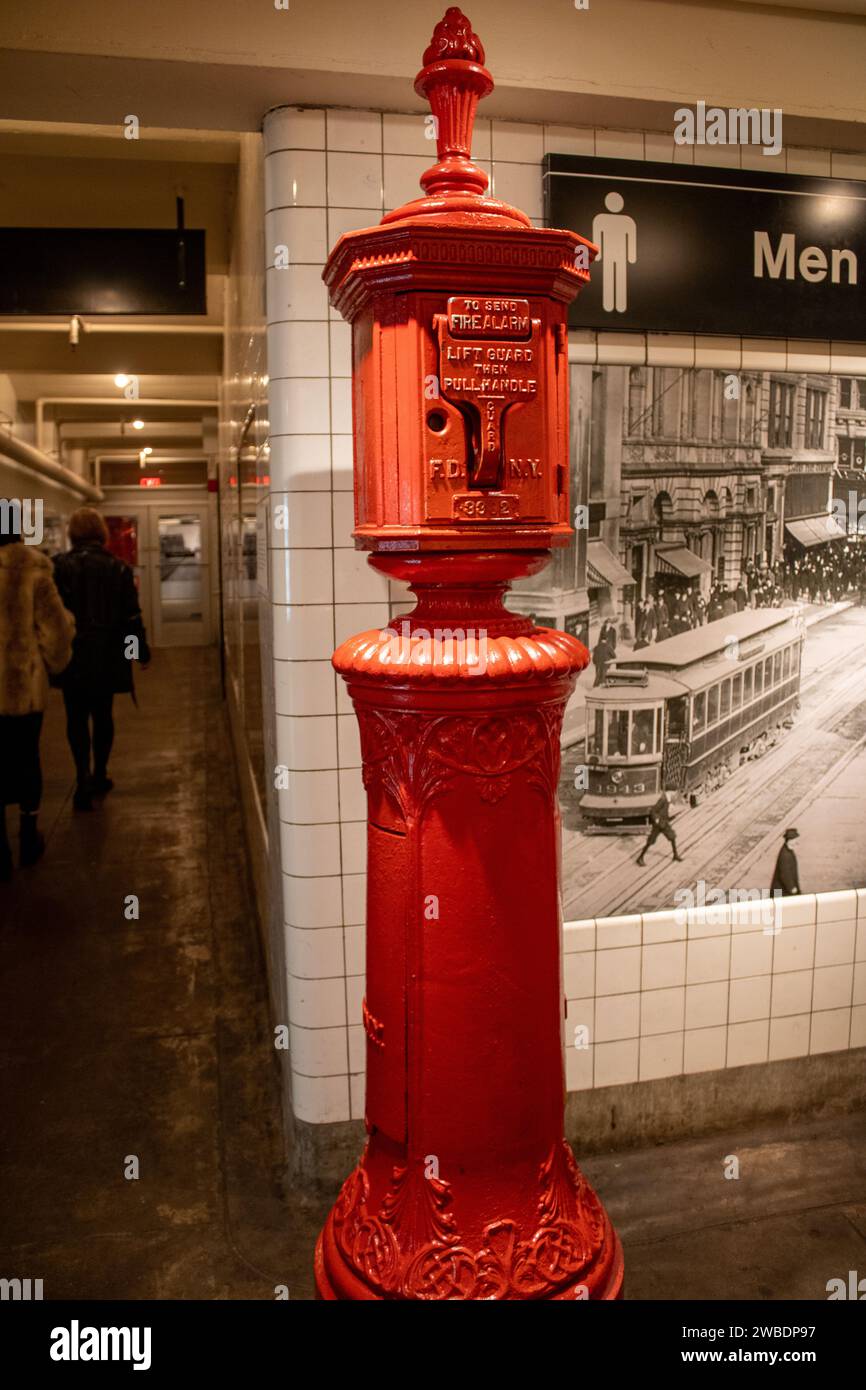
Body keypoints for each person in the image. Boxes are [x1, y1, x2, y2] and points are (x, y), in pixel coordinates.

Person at [53, 508, 151, 811]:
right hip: (107, 656)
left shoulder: (58, 567)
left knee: (76, 718)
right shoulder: (118, 568)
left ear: (72, 533)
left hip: (72, 657)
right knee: (103, 716)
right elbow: (131, 618)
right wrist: (136, 653)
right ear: (100, 532)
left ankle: (81, 777)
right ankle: (99, 774)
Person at [0, 504, 75, 878]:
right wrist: (54, 664)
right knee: (27, 757)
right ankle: (29, 836)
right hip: (23, 690)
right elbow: (56, 630)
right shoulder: (33, 567)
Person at [637, 791, 683, 866]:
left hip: (664, 823)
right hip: (658, 825)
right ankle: (640, 858)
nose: (674, 793)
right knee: (650, 841)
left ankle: (675, 855)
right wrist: (656, 819)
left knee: (672, 837)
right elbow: (653, 810)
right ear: (670, 791)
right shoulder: (662, 800)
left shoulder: (668, 799)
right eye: (673, 792)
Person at [770, 827, 801, 896]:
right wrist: (792, 888)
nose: (796, 842)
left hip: (782, 890)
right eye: (795, 840)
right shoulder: (785, 855)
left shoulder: (788, 850)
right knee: (780, 906)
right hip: (781, 891)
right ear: (790, 840)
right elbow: (784, 873)